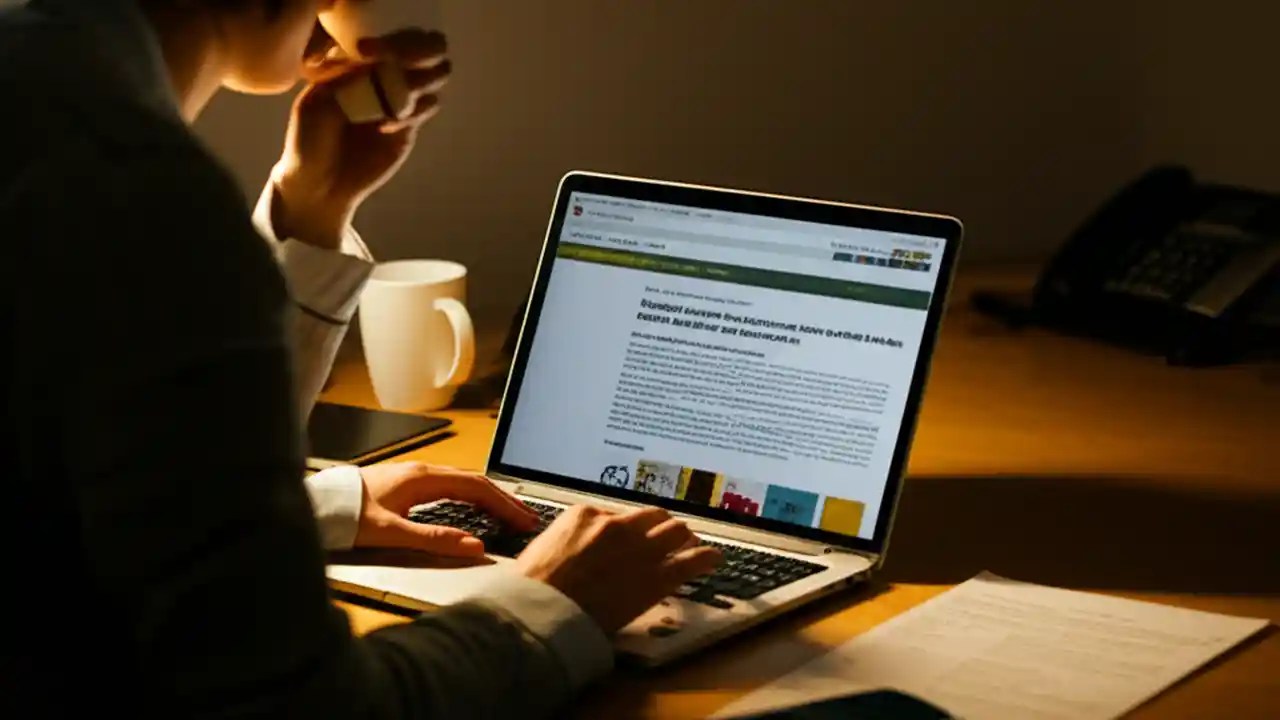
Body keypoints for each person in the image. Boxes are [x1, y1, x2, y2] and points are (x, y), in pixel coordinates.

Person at [0, 0, 721, 717]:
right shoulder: (142, 195)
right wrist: (549, 605)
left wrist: (314, 211)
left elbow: (64, 518)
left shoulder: (39, 101)